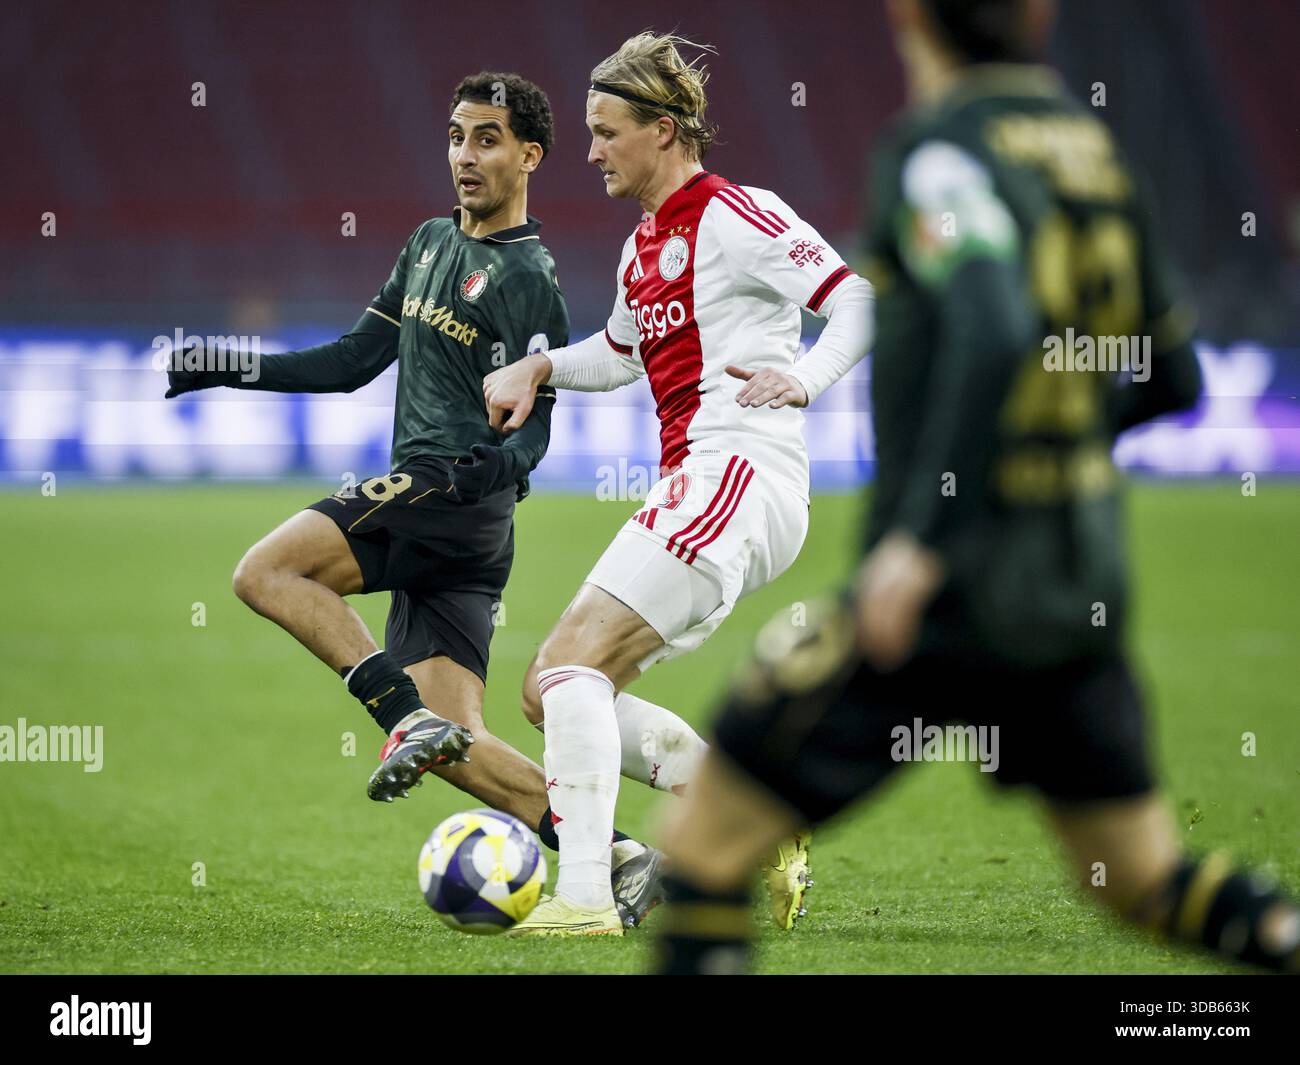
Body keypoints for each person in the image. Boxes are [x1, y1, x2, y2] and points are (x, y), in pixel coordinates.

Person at [652, 0, 1299, 975]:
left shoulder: (939, 155)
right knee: (1142, 880)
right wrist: (1061, 450)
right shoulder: (1093, 153)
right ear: (1036, 14)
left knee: (702, 845)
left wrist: (922, 538)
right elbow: (1175, 378)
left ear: (907, 14)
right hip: (1069, 589)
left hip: (947, 596)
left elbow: (994, 327)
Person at [163, 72, 660, 925]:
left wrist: (478, 470)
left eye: (489, 139)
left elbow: (535, 434)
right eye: (459, 136)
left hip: (447, 495)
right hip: (458, 527)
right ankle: (619, 850)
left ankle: (397, 716)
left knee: (266, 572)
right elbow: (354, 360)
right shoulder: (429, 241)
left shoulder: (528, 279)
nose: (467, 155)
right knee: (458, 744)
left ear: (530, 155)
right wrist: (229, 365)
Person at [483, 33, 874, 937]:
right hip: (703, 478)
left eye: (605, 132)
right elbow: (619, 355)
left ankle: (583, 895)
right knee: (548, 686)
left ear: (663, 130)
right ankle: (754, 820)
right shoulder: (642, 247)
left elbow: (855, 297)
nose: (590, 152)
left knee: (575, 665)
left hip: (740, 467)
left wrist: (807, 380)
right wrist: (540, 367)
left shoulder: (737, 214)